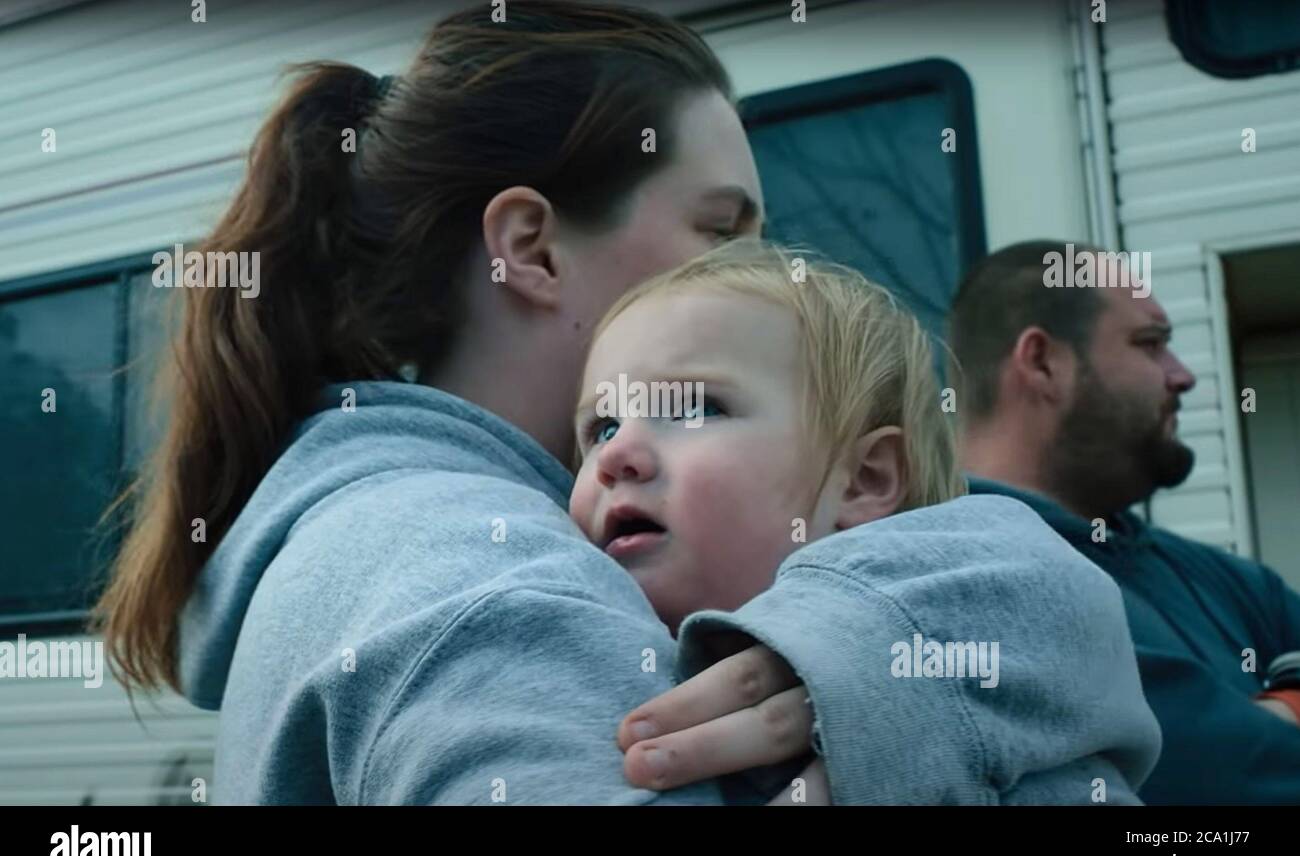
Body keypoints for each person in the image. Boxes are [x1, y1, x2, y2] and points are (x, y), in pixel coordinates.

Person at [94, 3, 1155, 804]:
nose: (768, 275)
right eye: (722, 231)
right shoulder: (484, 581)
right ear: (532, 246)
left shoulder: (409, 536)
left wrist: (917, 652)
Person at [570, 241, 1161, 804]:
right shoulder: (559, 665)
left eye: (697, 407)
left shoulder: (994, 733)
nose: (617, 455)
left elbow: (1051, 598)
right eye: (602, 427)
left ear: (865, 480)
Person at [949, 239, 1300, 804]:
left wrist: (1275, 717)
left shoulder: (1227, 581)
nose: (1182, 376)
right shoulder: (962, 584)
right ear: (1043, 363)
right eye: (1152, 344)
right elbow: (1209, 781)